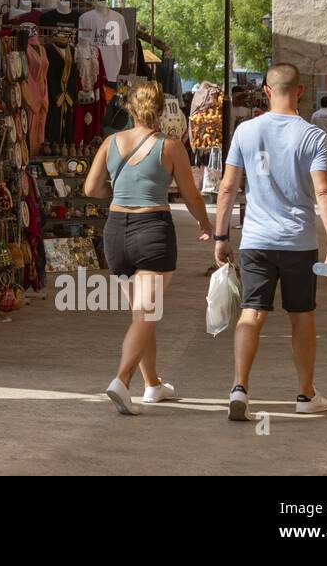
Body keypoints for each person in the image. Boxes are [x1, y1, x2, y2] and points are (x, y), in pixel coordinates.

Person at [214, 62, 327, 420]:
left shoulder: (245, 131)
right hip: (299, 242)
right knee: (301, 316)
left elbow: (228, 186)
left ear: (267, 92)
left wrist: (221, 236)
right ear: (300, 91)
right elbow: (324, 192)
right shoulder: (313, 136)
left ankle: (239, 387)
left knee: (252, 313)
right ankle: (305, 394)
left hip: (256, 240)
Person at [84, 81, 214, 414]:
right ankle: (122, 381)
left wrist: (117, 193)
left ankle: (153, 384)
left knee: (143, 313)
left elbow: (90, 189)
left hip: (115, 233)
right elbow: (191, 195)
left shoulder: (111, 142)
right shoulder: (169, 147)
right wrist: (205, 224)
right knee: (146, 313)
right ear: (160, 110)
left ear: (129, 108)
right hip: (151, 231)